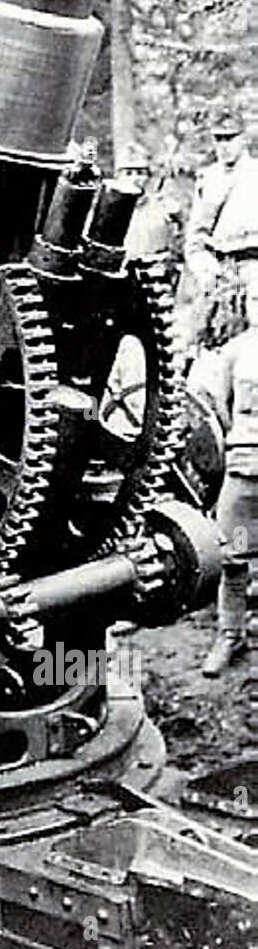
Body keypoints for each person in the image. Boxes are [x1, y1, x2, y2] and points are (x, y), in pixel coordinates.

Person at [193, 271, 258, 676]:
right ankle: (231, 635)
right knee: (233, 553)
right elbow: (217, 411)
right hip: (244, 469)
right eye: (254, 298)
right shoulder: (235, 352)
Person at [184, 106, 258, 360]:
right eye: (219, 138)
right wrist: (206, 272)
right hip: (221, 275)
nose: (225, 145)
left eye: (231, 138)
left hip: (255, 271)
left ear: (244, 138)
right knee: (208, 352)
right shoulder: (209, 179)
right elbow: (195, 240)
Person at [118, 142, 179, 265]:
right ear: (118, 176)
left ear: (148, 177)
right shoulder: (109, 211)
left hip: (155, 273)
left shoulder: (162, 206)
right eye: (128, 173)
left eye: (140, 173)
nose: (135, 179)